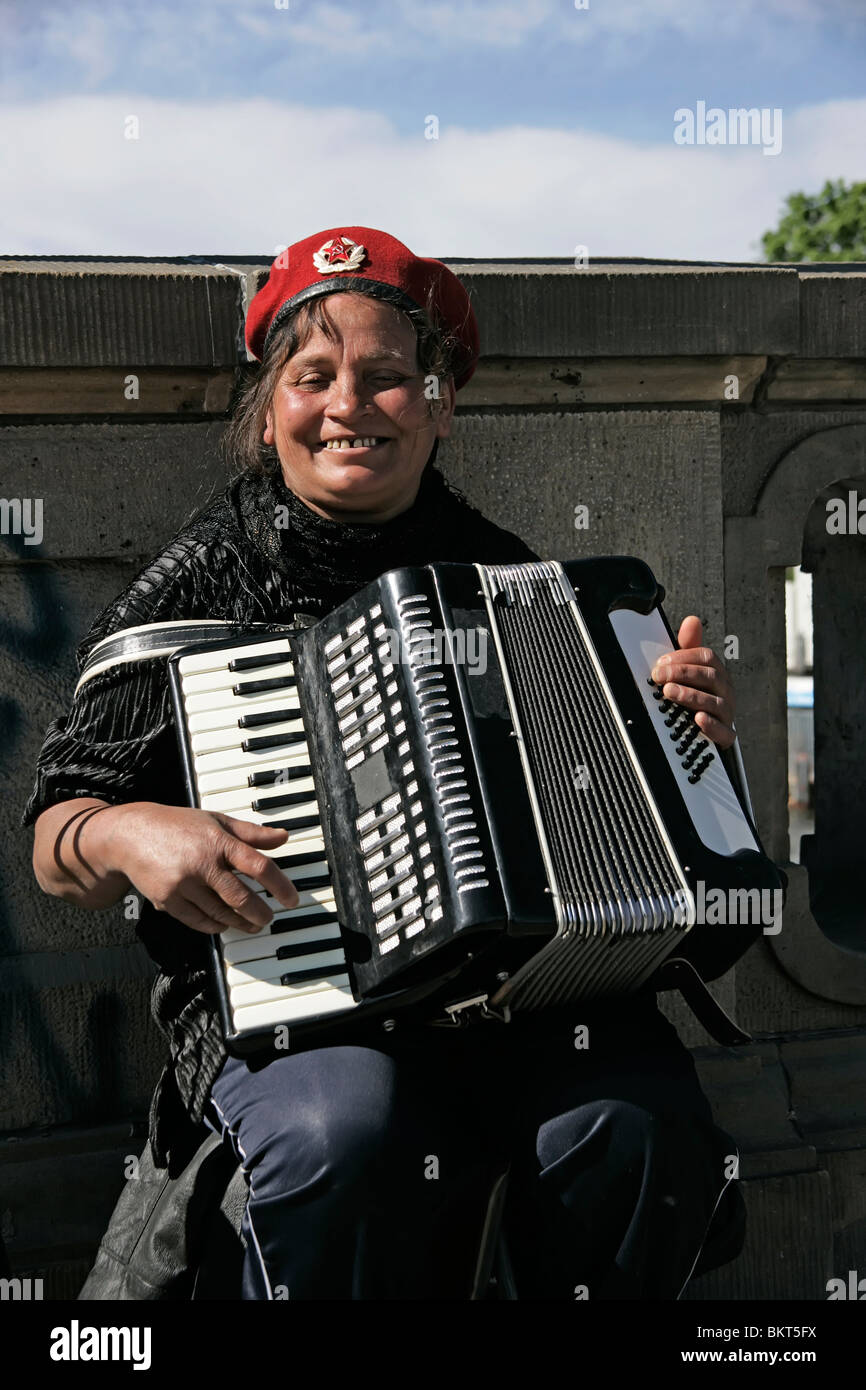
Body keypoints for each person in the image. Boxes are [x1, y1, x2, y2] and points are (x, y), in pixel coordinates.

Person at [25, 226, 742, 1301]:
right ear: (268, 413)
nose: (348, 405)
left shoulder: (506, 575)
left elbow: (622, 822)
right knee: (339, 1136)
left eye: (387, 378)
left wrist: (682, 748)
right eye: (311, 378)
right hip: (292, 998)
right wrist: (128, 831)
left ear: (440, 404)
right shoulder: (195, 587)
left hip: (521, 999)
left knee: (637, 1126)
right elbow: (52, 838)